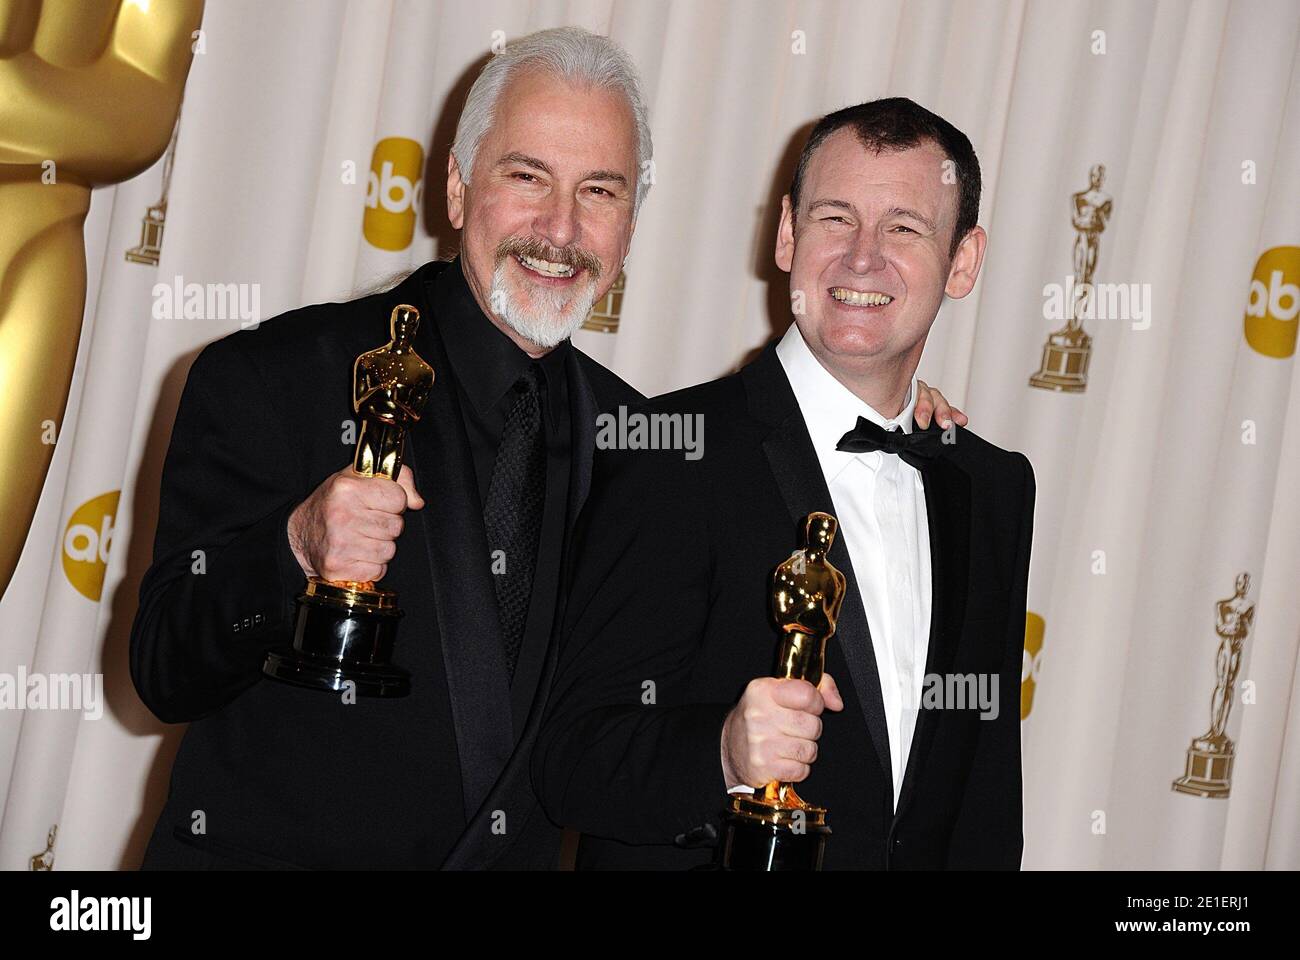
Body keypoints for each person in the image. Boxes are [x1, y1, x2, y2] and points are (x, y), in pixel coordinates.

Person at [129, 27, 963, 870]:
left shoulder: (651, 445)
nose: (560, 229)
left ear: (631, 222)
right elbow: (163, 669)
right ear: (456, 189)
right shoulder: (278, 375)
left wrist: (887, 409)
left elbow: (627, 737)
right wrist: (290, 554)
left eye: (599, 190)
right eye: (527, 176)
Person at [532, 97, 1034, 870]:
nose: (862, 258)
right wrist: (724, 754)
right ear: (788, 234)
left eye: (904, 227)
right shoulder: (673, 456)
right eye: (835, 219)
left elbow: (986, 796)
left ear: (963, 261)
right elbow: (572, 761)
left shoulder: (992, 487)